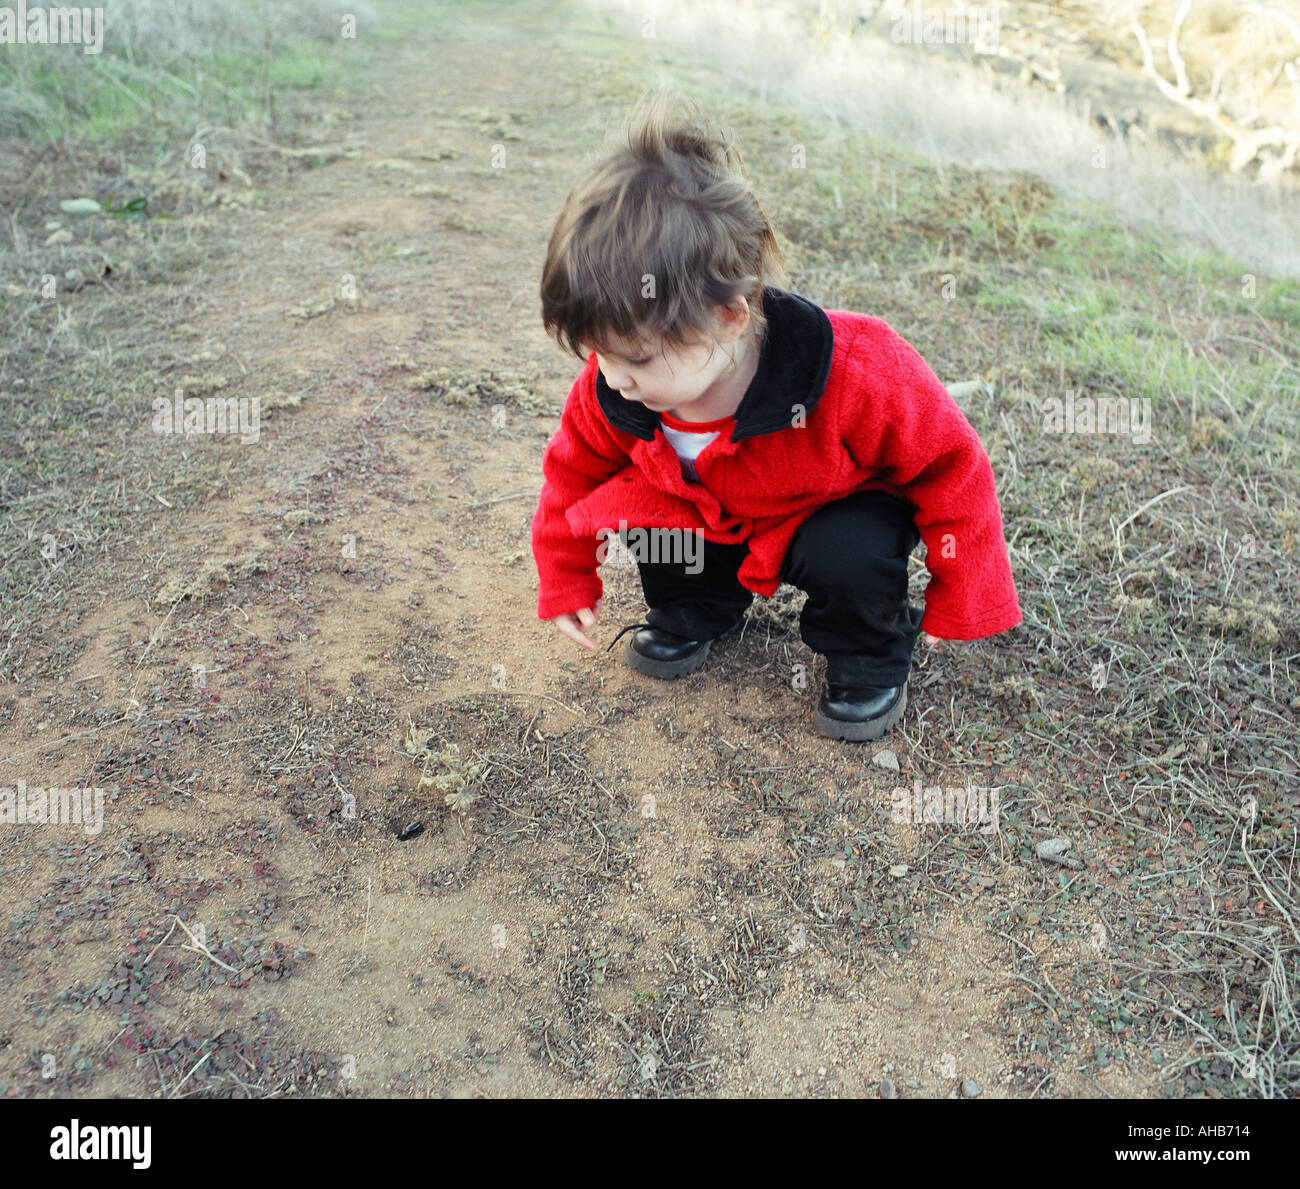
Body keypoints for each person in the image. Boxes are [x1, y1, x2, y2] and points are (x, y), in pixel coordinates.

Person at [531, 88, 1021, 741]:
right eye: (598, 352)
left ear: (728, 317)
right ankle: (697, 606)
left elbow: (950, 463)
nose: (613, 376)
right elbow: (573, 476)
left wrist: (964, 585)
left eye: (638, 359)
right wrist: (566, 575)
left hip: (821, 512)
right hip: (711, 513)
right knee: (657, 523)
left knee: (853, 552)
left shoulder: (857, 368)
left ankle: (869, 658)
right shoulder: (613, 387)